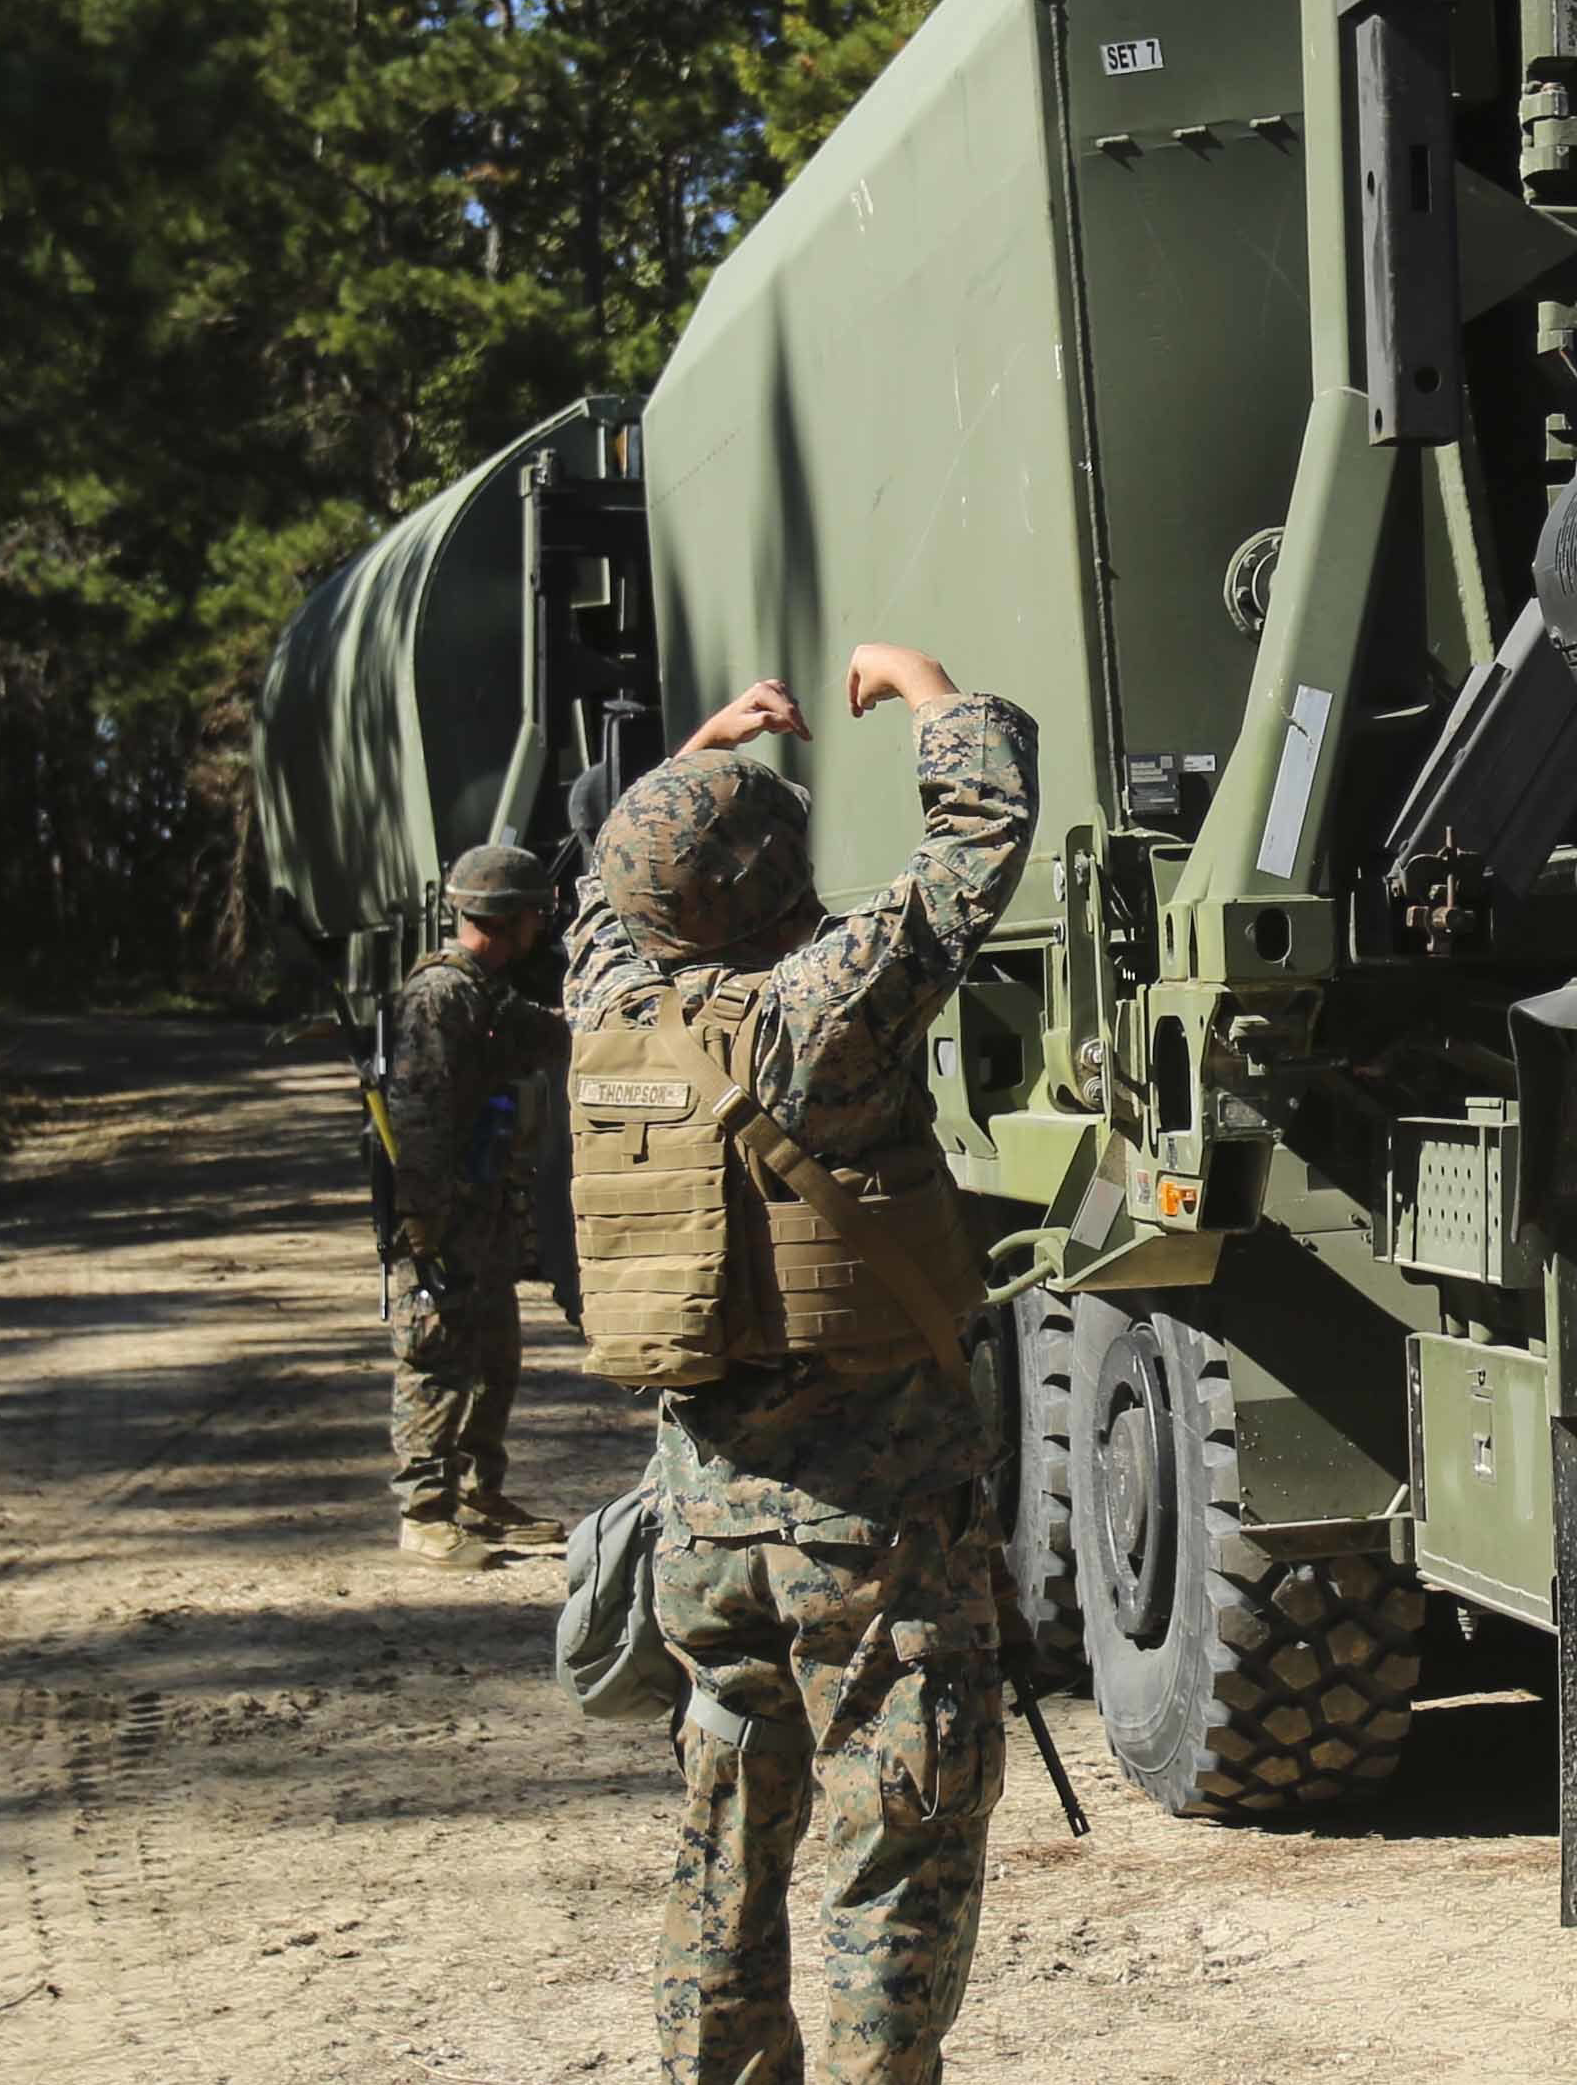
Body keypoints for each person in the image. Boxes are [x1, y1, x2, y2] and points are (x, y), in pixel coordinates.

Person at [570, 647, 1035, 2085]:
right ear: (772, 875)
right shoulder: (817, 1012)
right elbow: (975, 846)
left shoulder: (606, 1008)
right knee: (897, 1847)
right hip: (867, 1534)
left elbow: (600, 892)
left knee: (723, 1843)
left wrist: (690, 758)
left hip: (700, 1528)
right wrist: (927, 687)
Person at [385, 838, 566, 1566]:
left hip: (478, 1210)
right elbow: (419, 1117)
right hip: (441, 1217)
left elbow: (544, 1036)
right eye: (534, 915)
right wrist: (422, 1225)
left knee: (494, 1355)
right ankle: (424, 1511)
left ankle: (475, 1493)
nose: (540, 927)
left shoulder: (482, 992)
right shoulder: (439, 996)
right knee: (435, 1357)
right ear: (507, 917)